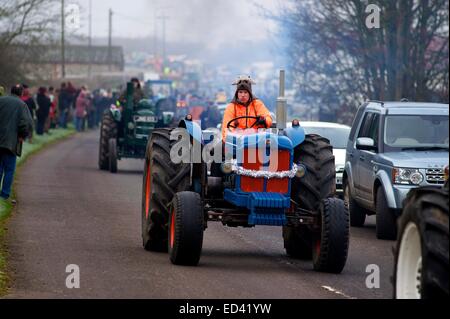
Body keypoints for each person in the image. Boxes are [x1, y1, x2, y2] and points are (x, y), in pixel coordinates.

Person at [0, 85, 33, 202]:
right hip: (11, 141)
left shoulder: (1, 100)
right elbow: (26, 122)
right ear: (21, 93)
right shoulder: (22, 105)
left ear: (11, 91)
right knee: (9, 169)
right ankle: (4, 195)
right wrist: (22, 135)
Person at [221, 75, 273, 141]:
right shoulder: (231, 107)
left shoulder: (257, 104)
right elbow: (227, 127)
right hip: (237, 140)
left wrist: (264, 120)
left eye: (245, 92)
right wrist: (229, 139)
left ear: (250, 93)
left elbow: (268, 119)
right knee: (216, 150)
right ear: (237, 94)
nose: (243, 95)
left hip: (256, 139)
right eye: (240, 92)